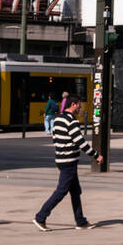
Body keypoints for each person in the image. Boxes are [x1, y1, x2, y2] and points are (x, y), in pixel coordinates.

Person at [34, 95, 103, 230]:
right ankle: (40, 217)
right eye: (79, 105)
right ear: (73, 105)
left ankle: (80, 221)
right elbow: (80, 142)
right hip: (69, 161)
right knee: (61, 191)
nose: (80, 107)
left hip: (61, 159)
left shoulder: (58, 119)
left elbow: (55, 139)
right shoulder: (71, 121)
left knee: (75, 191)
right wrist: (96, 155)